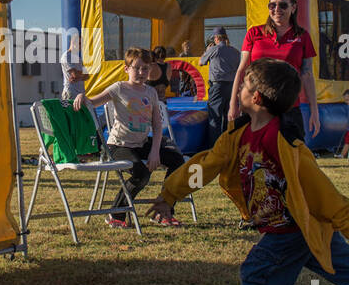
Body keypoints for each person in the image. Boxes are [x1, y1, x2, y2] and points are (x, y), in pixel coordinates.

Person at [149, 58, 349, 285]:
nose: (239, 90)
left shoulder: (287, 144)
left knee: (256, 274)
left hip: (289, 230)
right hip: (304, 230)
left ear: (257, 98)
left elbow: (321, 192)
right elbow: (205, 167)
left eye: (245, 85)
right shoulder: (237, 136)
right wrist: (171, 194)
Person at [74, 48, 184, 228]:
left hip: (141, 143)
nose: (141, 73)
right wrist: (81, 96)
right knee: (141, 173)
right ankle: (116, 214)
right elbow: (93, 102)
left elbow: (157, 125)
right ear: (127, 69)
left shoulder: (151, 92)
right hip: (118, 145)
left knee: (177, 160)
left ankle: (164, 210)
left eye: (146, 69)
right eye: (137, 68)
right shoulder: (119, 88)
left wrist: (155, 151)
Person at [229, 0, 321, 142]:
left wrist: (315, 110)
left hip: (288, 108)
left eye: (283, 5)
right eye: (272, 5)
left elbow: (307, 74)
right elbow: (241, 70)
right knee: (251, 156)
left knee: (291, 157)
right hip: (256, 107)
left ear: (293, 7)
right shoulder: (254, 33)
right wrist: (233, 104)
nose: (277, 9)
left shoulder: (302, 36)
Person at [199, 27, 239, 144]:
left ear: (216, 38)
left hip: (217, 86)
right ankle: (227, 144)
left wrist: (207, 50)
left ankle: (214, 147)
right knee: (228, 117)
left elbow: (201, 62)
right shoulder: (235, 51)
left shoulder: (213, 50)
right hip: (232, 87)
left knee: (215, 117)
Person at [60, 35, 87, 103]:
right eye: (79, 43)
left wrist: (79, 76)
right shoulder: (66, 57)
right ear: (73, 43)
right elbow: (75, 74)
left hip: (80, 93)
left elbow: (87, 76)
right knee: (70, 113)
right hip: (71, 93)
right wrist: (80, 75)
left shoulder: (78, 58)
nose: (81, 46)